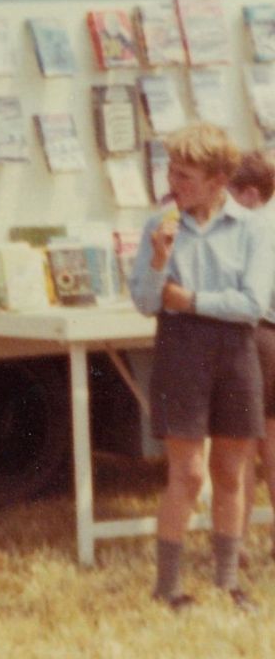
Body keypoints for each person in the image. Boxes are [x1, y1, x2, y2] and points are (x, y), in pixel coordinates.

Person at [130, 125, 275, 611]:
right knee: (188, 475)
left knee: (233, 471)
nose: (174, 182)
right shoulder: (159, 224)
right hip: (180, 354)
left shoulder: (253, 227)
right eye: (172, 171)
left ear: (218, 180)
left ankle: (228, 582)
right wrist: (158, 260)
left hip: (236, 355)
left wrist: (188, 298)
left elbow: (251, 305)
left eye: (186, 175)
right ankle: (168, 587)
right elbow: (148, 302)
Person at [228, 151, 275, 549]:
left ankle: (236, 541)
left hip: (255, 336)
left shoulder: (248, 230)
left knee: (240, 447)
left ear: (249, 193)